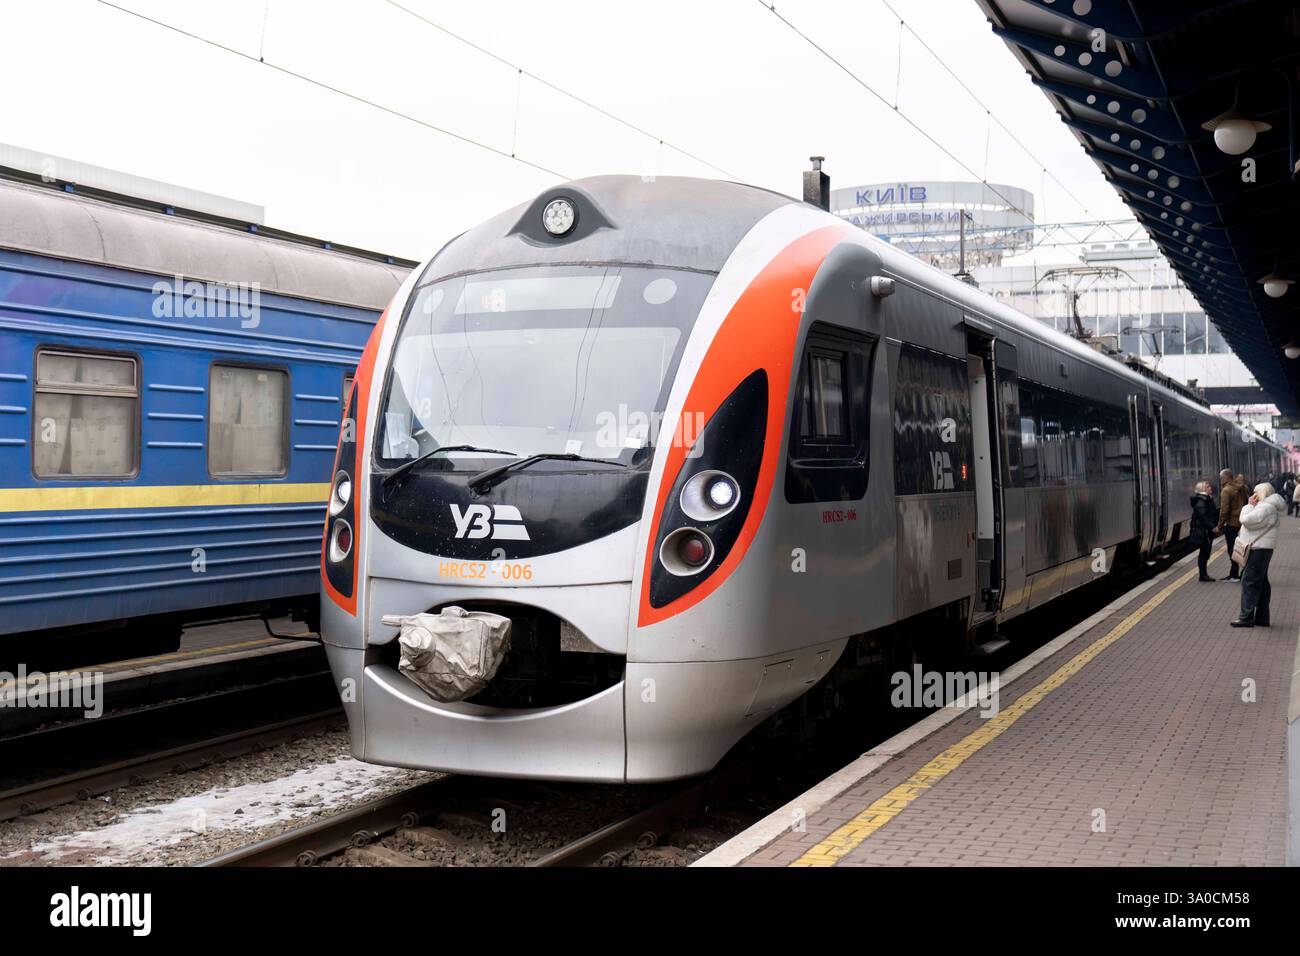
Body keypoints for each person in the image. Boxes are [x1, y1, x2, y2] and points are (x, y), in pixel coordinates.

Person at [1230, 482, 1287, 628]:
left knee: (1249, 582)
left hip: (1258, 549)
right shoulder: (1267, 507)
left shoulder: (1265, 507)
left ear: (1261, 493)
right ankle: (1262, 618)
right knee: (1261, 583)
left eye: (1255, 492)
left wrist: (1248, 505)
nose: (1252, 495)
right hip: (1261, 549)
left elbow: (1246, 520)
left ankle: (1246, 617)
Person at [1214, 469, 1247, 581]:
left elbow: (1224, 510)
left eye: (1221, 478)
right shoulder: (1242, 488)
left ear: (1224, 478)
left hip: (1232, 524)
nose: (1220, 480)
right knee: (1241, 549)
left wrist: (1220, 526)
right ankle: (1241, 572)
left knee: (1232, 550)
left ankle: (1234, 574)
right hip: (1242, 523)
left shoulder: (1226, 491)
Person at [1189, 481, 1218, 582]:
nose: (1210, 488)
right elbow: (1204, 517)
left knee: (1206, 553)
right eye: (1208, 487)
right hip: (1203, 531)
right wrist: (1212, 527)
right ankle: (1203, 575)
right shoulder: (1201, 501)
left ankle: (1204, 574)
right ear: (1203, 489)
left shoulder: (1206, 499)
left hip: (1205, 531)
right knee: (1204, 553)